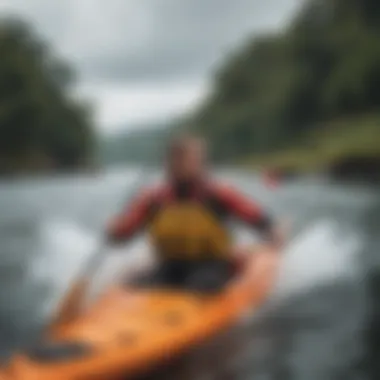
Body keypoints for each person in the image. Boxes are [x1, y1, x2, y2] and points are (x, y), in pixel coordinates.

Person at [107, 134, 284, 293]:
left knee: (202, 284)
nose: (183, 164)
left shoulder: (217, 193)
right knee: (133, 284)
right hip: (170, 265)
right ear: (168, 163)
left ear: (201, 163)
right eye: (178, 159)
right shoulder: (154, 198)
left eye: (190, 159)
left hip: (212, 264)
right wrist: (115, 231)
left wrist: (272, 232)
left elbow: (255, 216)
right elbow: (123, 234)